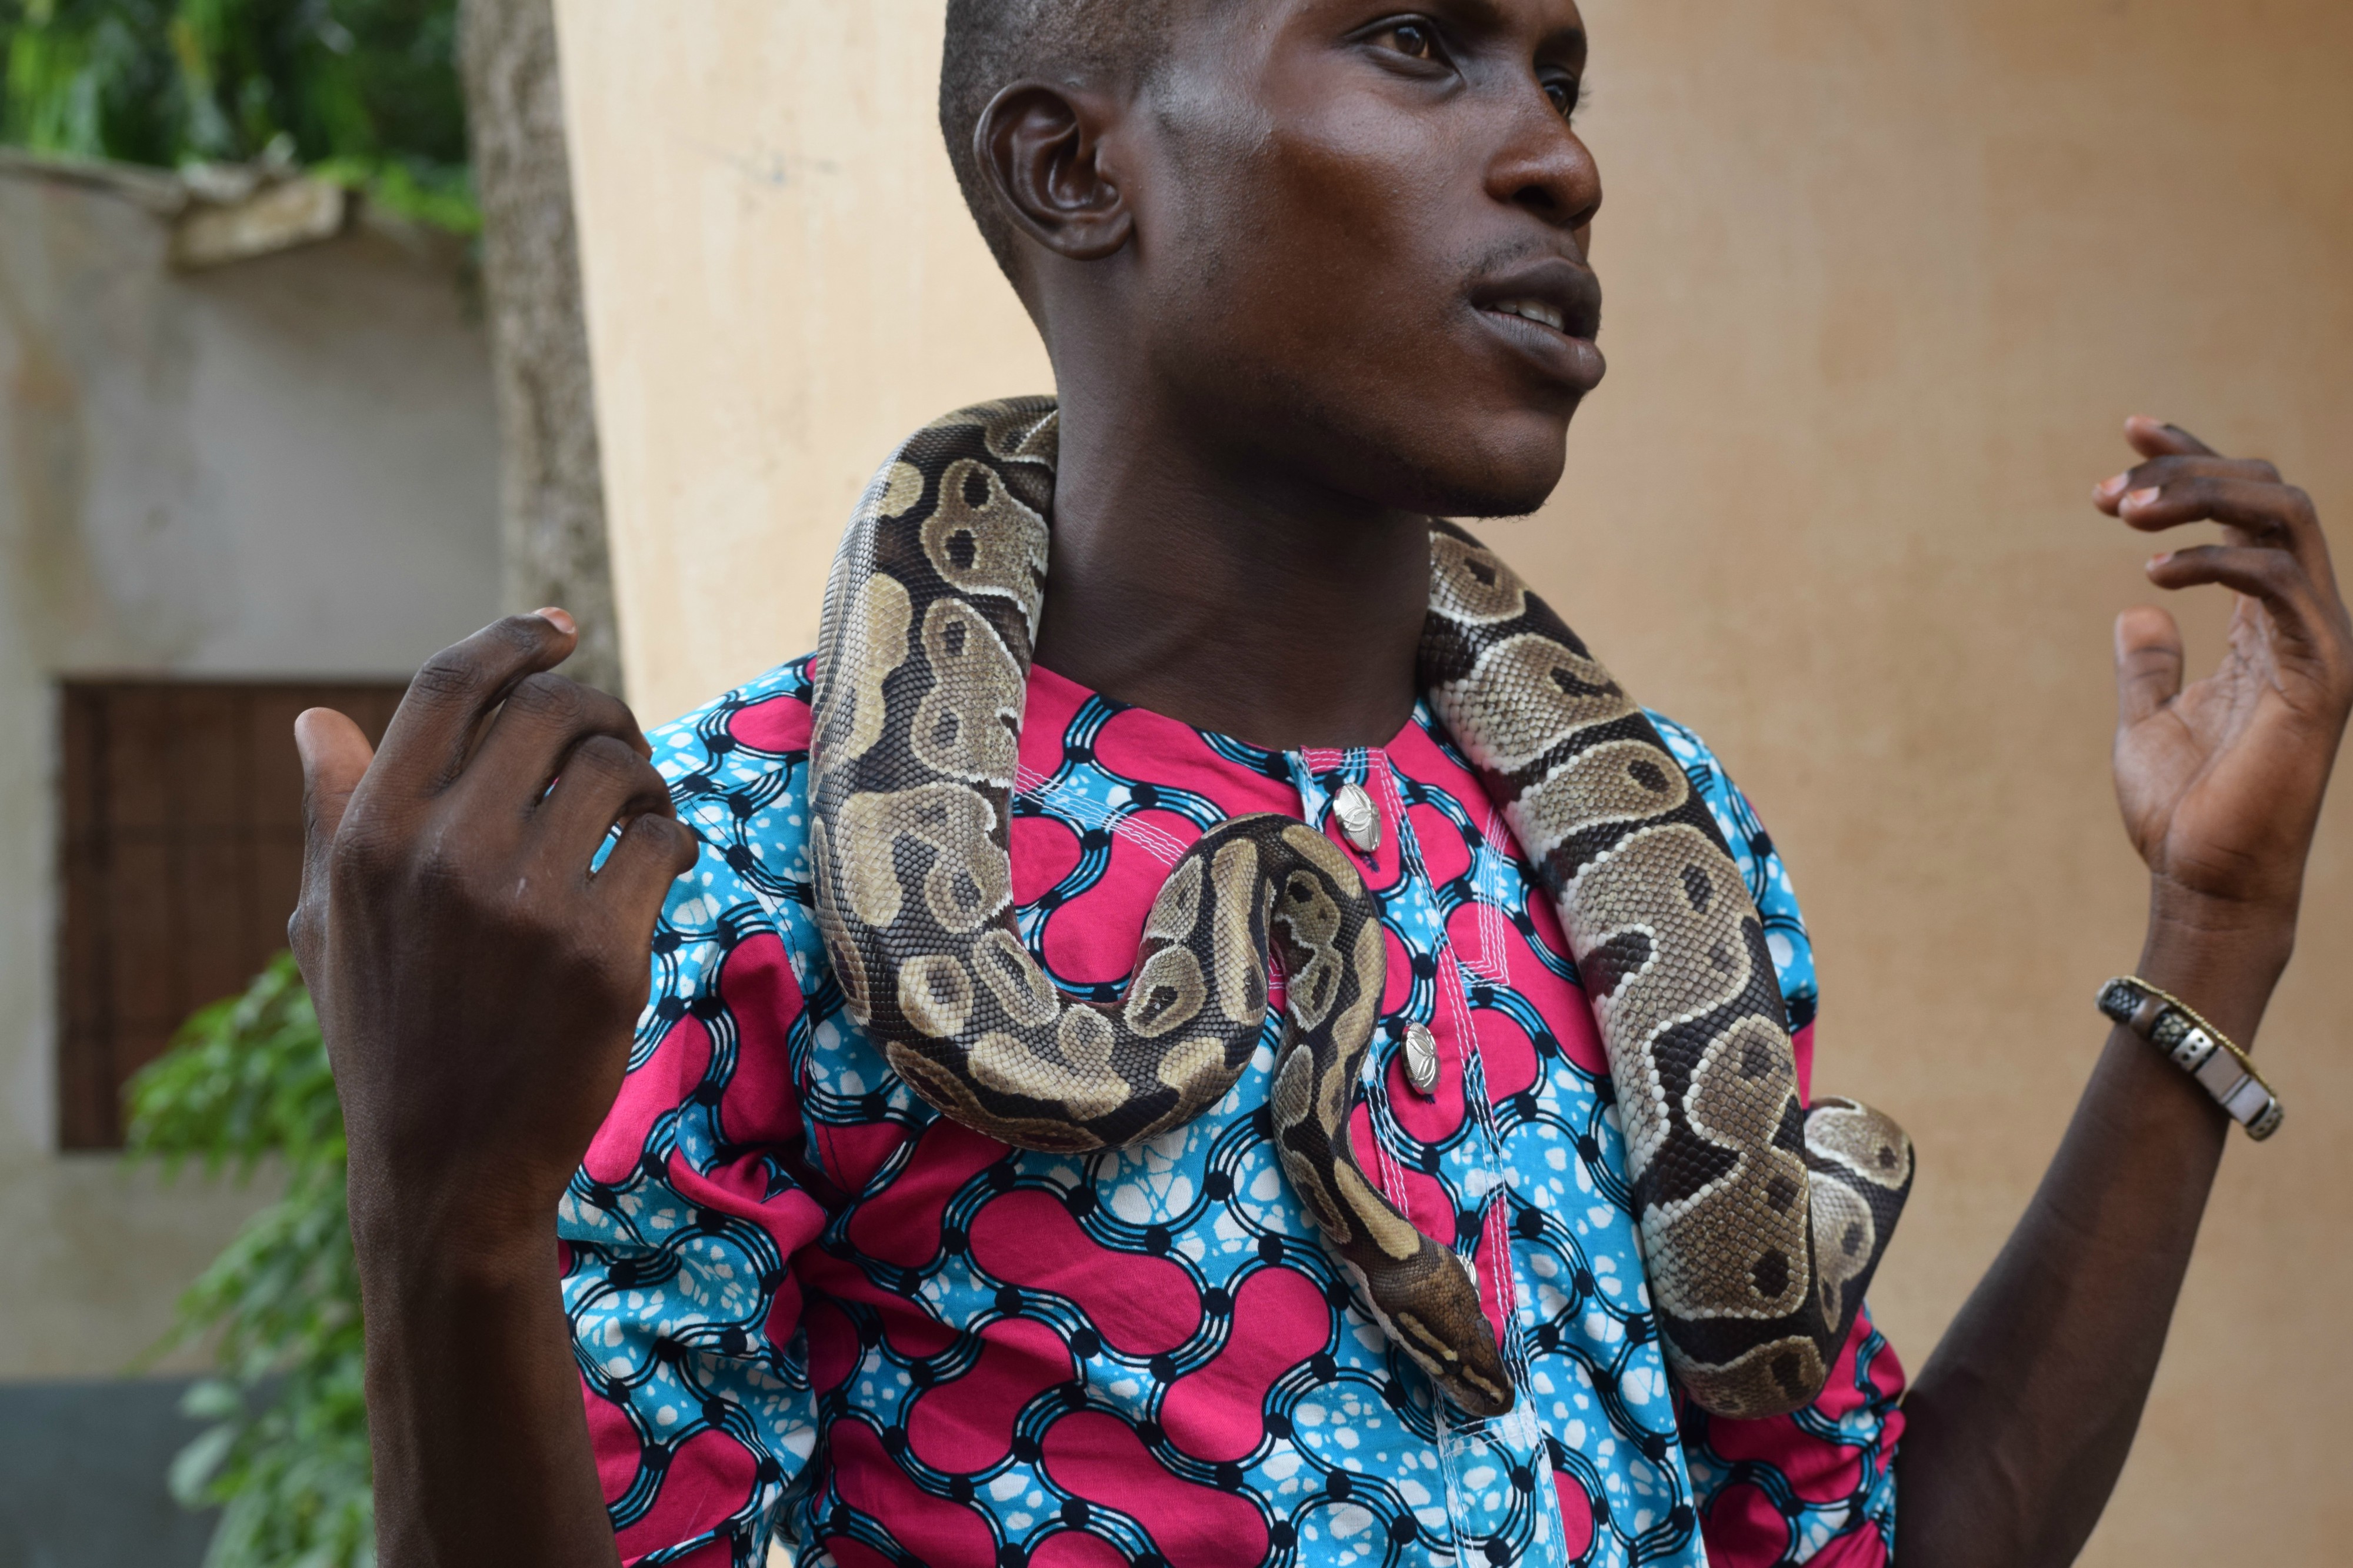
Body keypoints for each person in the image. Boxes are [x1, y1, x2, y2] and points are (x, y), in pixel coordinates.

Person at [285, 1, 2353, 1564]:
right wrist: (440, 1216)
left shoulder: (1662, 852)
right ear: (1072, 166)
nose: (1559, 157)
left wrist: (2217, 929)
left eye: (1563, 73)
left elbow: (1870, 1540)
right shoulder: (733, 872)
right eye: (1421, 43)